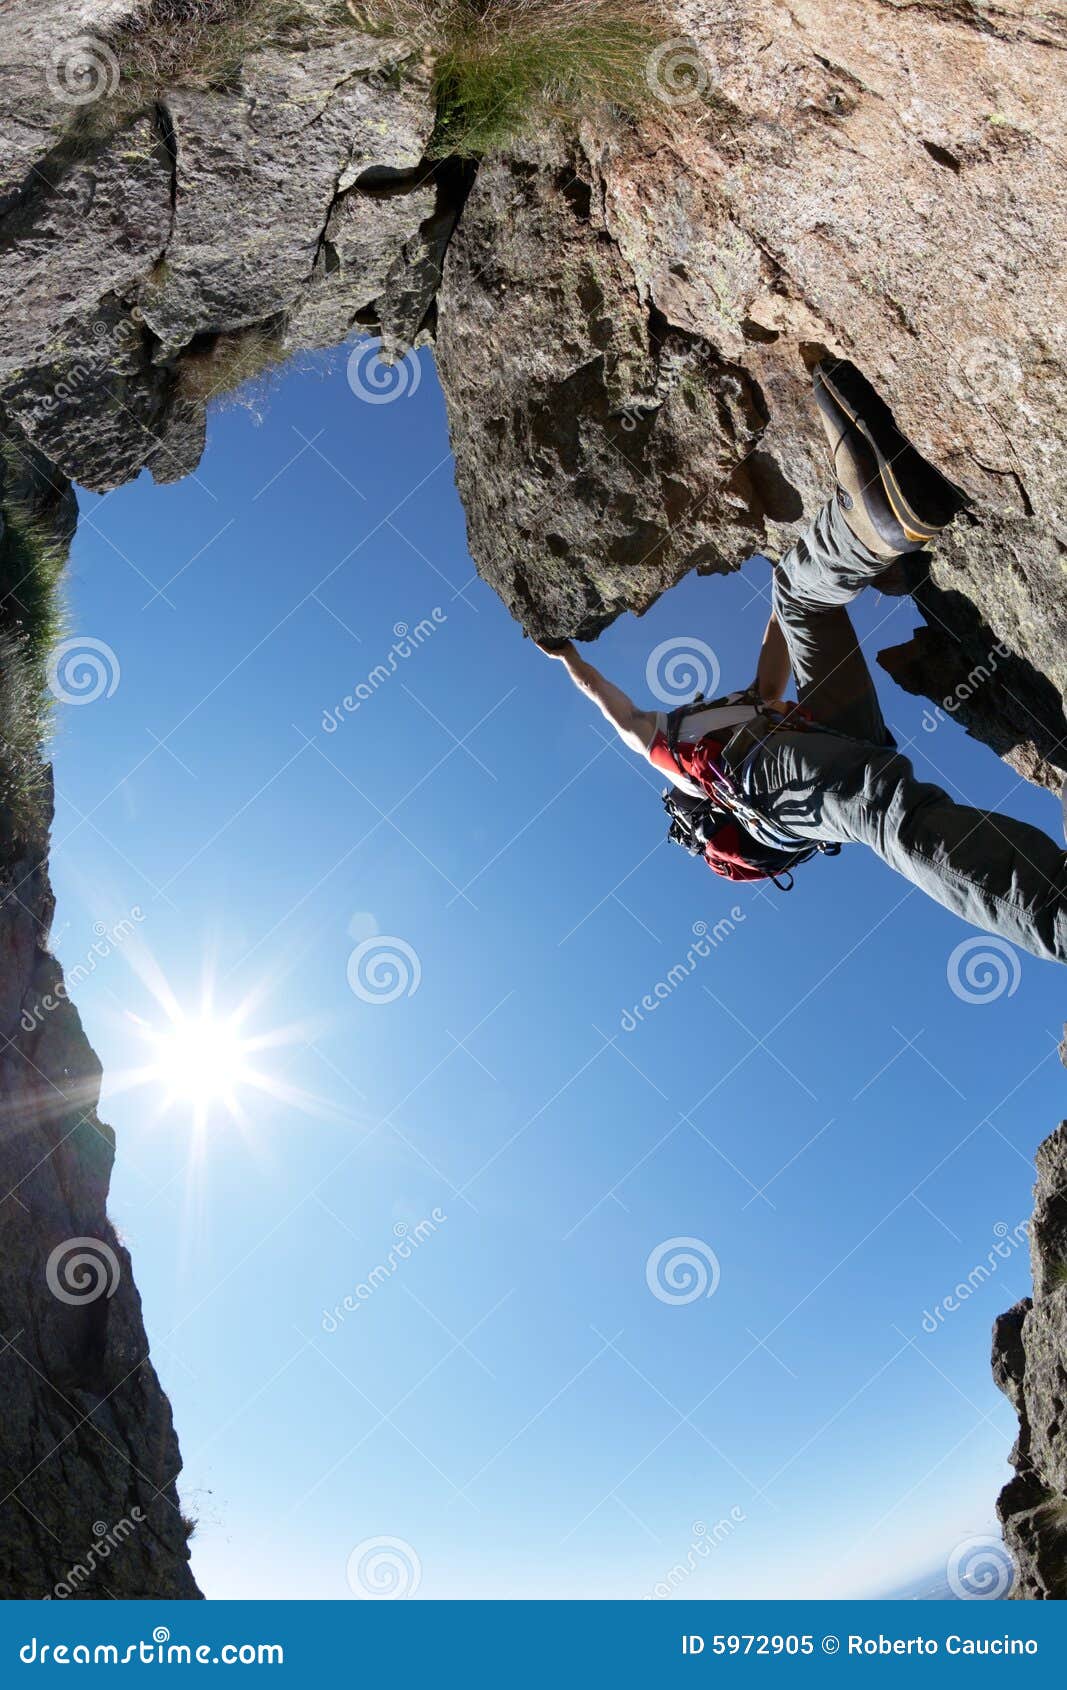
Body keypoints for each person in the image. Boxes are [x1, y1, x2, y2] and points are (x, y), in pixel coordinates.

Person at [538, 360, 1067, 965]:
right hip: (771, 785)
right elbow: (611, 704)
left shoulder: (733, 717)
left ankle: (874, 525)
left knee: (800, 597)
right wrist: (566, 656)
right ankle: (1055, 914)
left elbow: (777, 638)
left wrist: (782, 582)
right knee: (879, 809)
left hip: (815, 745)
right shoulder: (681, 750)